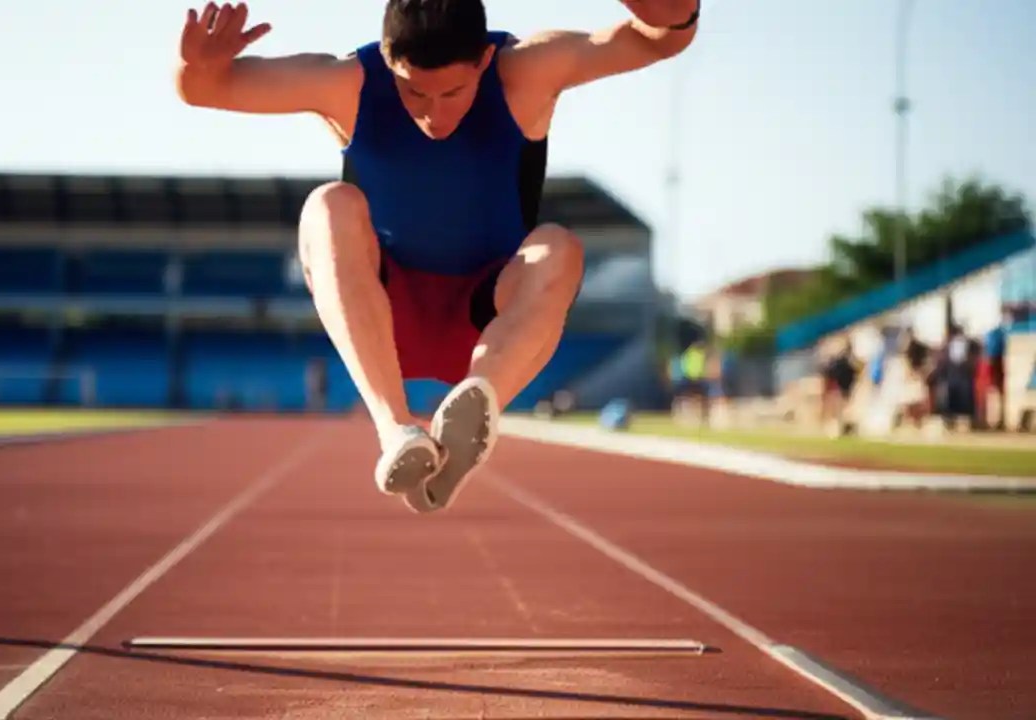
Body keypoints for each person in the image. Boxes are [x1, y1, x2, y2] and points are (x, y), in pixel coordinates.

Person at [175, 0, 700, 512]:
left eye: (454, 91)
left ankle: (476, 405)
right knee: (327, 206)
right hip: (384, 316)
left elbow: (653, 40)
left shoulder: (525, 71)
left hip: (488, 319)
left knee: (558, 246)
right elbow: (204, 89)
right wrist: (196, 63)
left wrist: (672, 13)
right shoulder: (348, 84)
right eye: (411, 91)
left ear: (485, 61)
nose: (433, 113)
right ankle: (396, 430)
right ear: (386, 57)